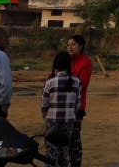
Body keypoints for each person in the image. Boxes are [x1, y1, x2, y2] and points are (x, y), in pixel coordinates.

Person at [42, 51, 81, 167]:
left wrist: (46, 118)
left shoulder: (49, 83)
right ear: (69, 65)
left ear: (55, 66)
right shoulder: (77, 82)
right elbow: (78, 105)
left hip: (52, 122)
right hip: (68, 123)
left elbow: (44, 105)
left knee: (51, 154)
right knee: (64, 154)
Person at [67, 35, 93, 167]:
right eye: (68, 45)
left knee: (74, 141)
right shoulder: (66, 61)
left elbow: (82, 85)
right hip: (63, 106)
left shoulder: (86, 62)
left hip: (77, 107)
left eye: (73, 44)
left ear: (81, 46)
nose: (70, 47)